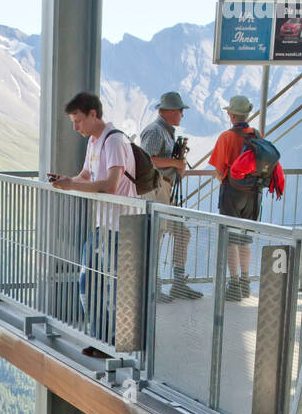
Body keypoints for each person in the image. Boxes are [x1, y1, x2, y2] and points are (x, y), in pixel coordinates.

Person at [50, 92, 137, 344]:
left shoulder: (114, 141)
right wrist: (64, 181)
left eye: (78, 121)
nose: (75, 127)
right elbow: (85, 176)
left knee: (110, 285)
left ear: (93, 114)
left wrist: (72, 186)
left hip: (122, 225)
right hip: (105, 224)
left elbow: (111, 184)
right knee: (91, 281)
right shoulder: (93, 142)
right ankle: (101, 338)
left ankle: (112, 340)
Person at [140, 91, 202, 302]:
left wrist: (176, 166)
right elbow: (147, 160)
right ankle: (152, 287)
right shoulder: (155, 131)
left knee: (181, 233)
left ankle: (177, 283)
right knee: (155, 238)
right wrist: (176, 163)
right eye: (181, 111)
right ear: (172, 111)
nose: (182, 116)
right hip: (156, 191)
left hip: (165, 190)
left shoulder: (165, 131)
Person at [209, 94, 260, 302]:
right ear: (247, 113)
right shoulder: (257, 134)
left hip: (232, 192)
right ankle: (247, 282)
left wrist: (225, 183)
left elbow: (219, 170)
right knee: (244, 240)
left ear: (231, 115)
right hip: (253, 194)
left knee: (231, 240)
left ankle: (235, 284)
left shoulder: (226, 137)